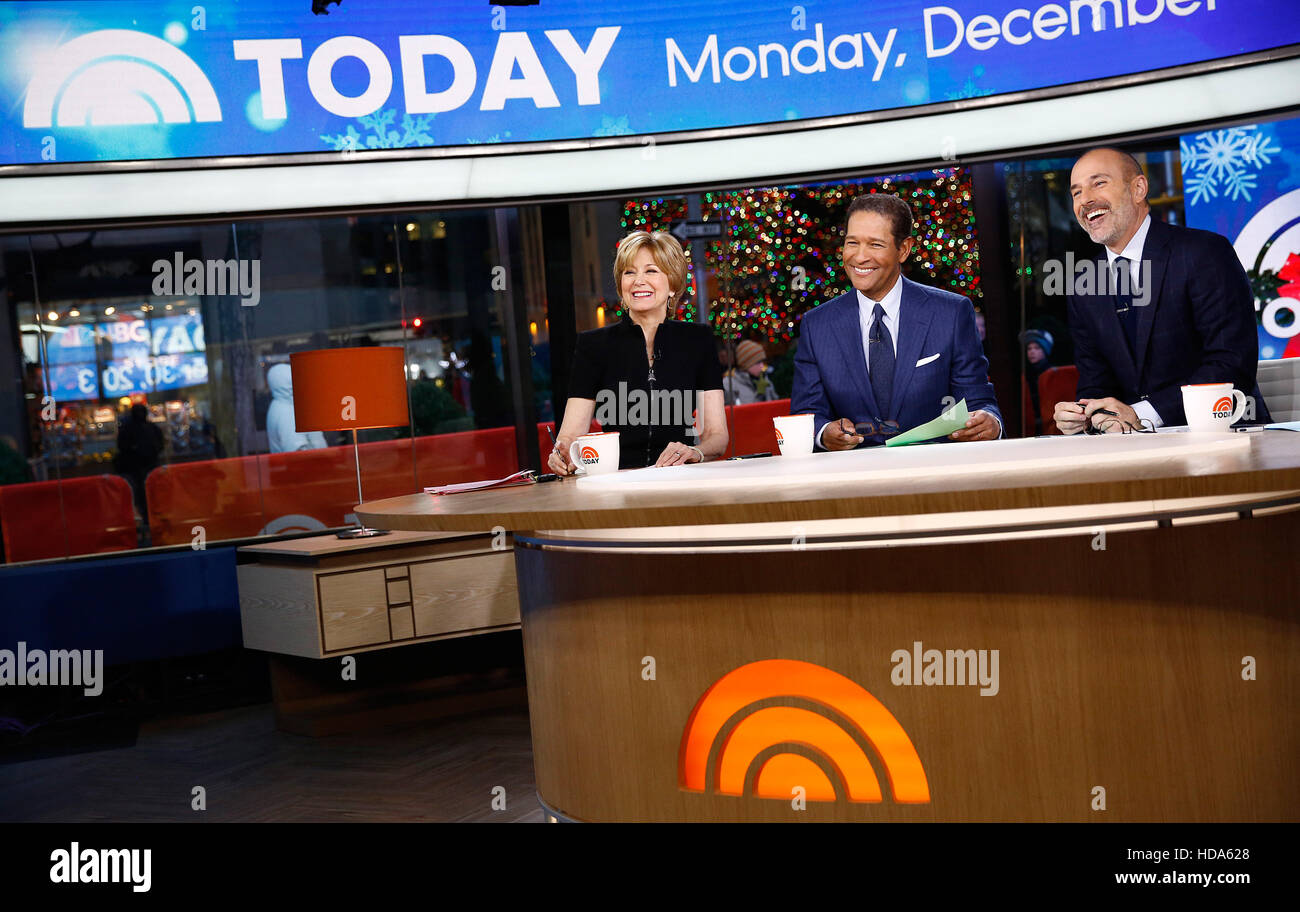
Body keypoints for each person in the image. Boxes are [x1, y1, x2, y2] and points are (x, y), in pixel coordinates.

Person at [1053, 147, 1269, 434]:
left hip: (1224, 438)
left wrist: (1143, 414)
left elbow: (1230, 364)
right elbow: (1096, 380)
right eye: (1076, 192)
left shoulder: (1204, 252)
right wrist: (1087, 415)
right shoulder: (1083, 282)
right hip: (1131, 449)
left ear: (1139, 188)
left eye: (1099, 183)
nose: (1086, 200)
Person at [791, 193, 1002, 450]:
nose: (859, 257)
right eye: (852, 243)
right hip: (851, 478)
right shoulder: (817, 325)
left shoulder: (951, 312)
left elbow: (977, 401)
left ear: (903, 249)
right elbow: (807, 415)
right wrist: (824, 433)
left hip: (935, 473)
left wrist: (988, 422)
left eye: (875, 245)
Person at [549, 230, 728, 472]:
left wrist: (694, 452)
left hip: (680, 478)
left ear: (673, 284)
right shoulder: (593, 345)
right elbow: (570, 435)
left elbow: (717, 436)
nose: (638, 280)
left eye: (651, 271)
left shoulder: (698, 340)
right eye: (629, 272)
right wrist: (561, 453)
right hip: (617, 482)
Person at [115, 403, 164, 520]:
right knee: (145, 493)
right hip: (140, 466)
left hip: (141, 466)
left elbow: (122, 446)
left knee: (146, 493)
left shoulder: (129, 429)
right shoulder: (150, 427)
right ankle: (150, 515)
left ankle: (149, 515)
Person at [266, 362, 328, 453]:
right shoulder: (287, 413)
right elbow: (300, 453)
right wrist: (329, 458)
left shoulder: (281, 405)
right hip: (311, 466)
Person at [723, 339, 779, 406]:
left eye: (762, 361)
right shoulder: (729, 384)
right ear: (746, 364)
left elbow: (776, 405)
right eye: (758, 363)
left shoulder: (765, 380)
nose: (762, 366)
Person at [1021, 328, 1054, 433]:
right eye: (1029, 348)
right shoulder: (1024, 375)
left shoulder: (1053, 374)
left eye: (1037, 348)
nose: (1032, 352)